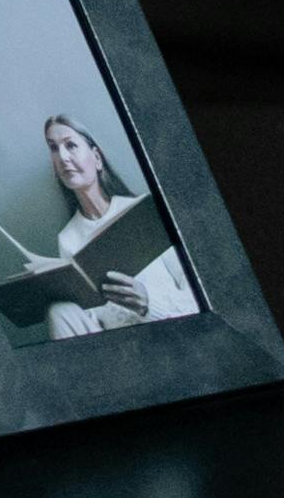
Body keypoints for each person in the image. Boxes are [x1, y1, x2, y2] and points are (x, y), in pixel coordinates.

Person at [14, 103, 201, 335]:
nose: (62, 157)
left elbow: (196, 291)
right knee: (60, 311)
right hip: (119, 345)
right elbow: (92, 311)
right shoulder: (67, 238)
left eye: (70, 145)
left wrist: (148, 303)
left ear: (97, 158)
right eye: (53, 148)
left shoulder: (142, 210)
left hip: (172, 329)